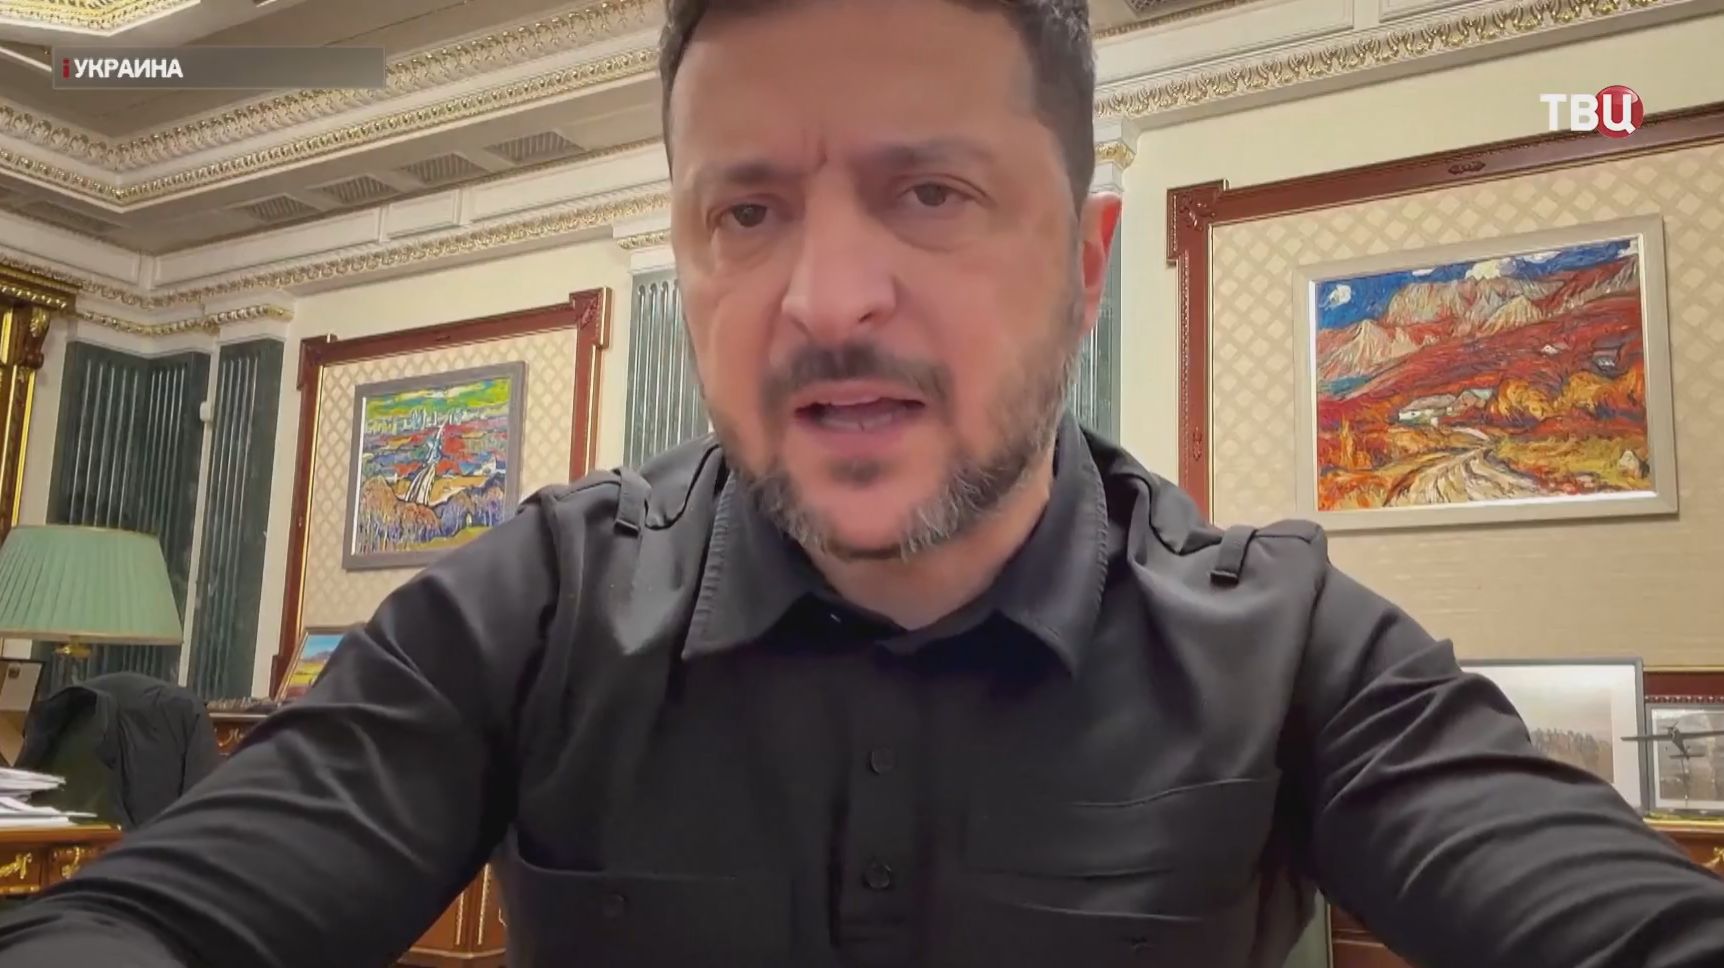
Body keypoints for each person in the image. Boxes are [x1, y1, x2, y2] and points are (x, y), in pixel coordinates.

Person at [1, 1, 1720, 965]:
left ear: (1086, 267)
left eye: (933, 194)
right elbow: (169, 924)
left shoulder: (1288, 641)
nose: (827, 299)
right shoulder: (528, 607)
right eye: (747, 211)